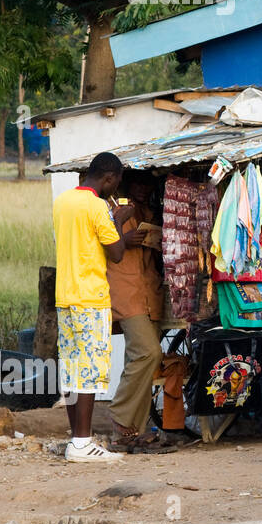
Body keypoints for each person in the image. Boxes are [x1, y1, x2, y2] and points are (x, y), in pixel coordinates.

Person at [52, 152, 145, 463]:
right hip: (91, 298)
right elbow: (116, 253)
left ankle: (75, 440)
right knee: (89, 372)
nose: (116, 187)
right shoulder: (98, 207)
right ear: (109, 179)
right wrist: (117, 219)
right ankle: (82, 442)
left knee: (71, 369)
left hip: (65, 297)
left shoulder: (63, 201)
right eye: (116, 181)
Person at [106, 171, 169, 453]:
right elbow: (104, 245)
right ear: (126, 182)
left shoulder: (148, 210)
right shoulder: (111, 208)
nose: (144, 189)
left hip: (148, 290)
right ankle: (121, 418)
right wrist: (124, 237)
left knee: (140, 358)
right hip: (125, 291)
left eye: (149, 184)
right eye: (139, 183)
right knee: (148, 352)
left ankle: (134, 431)